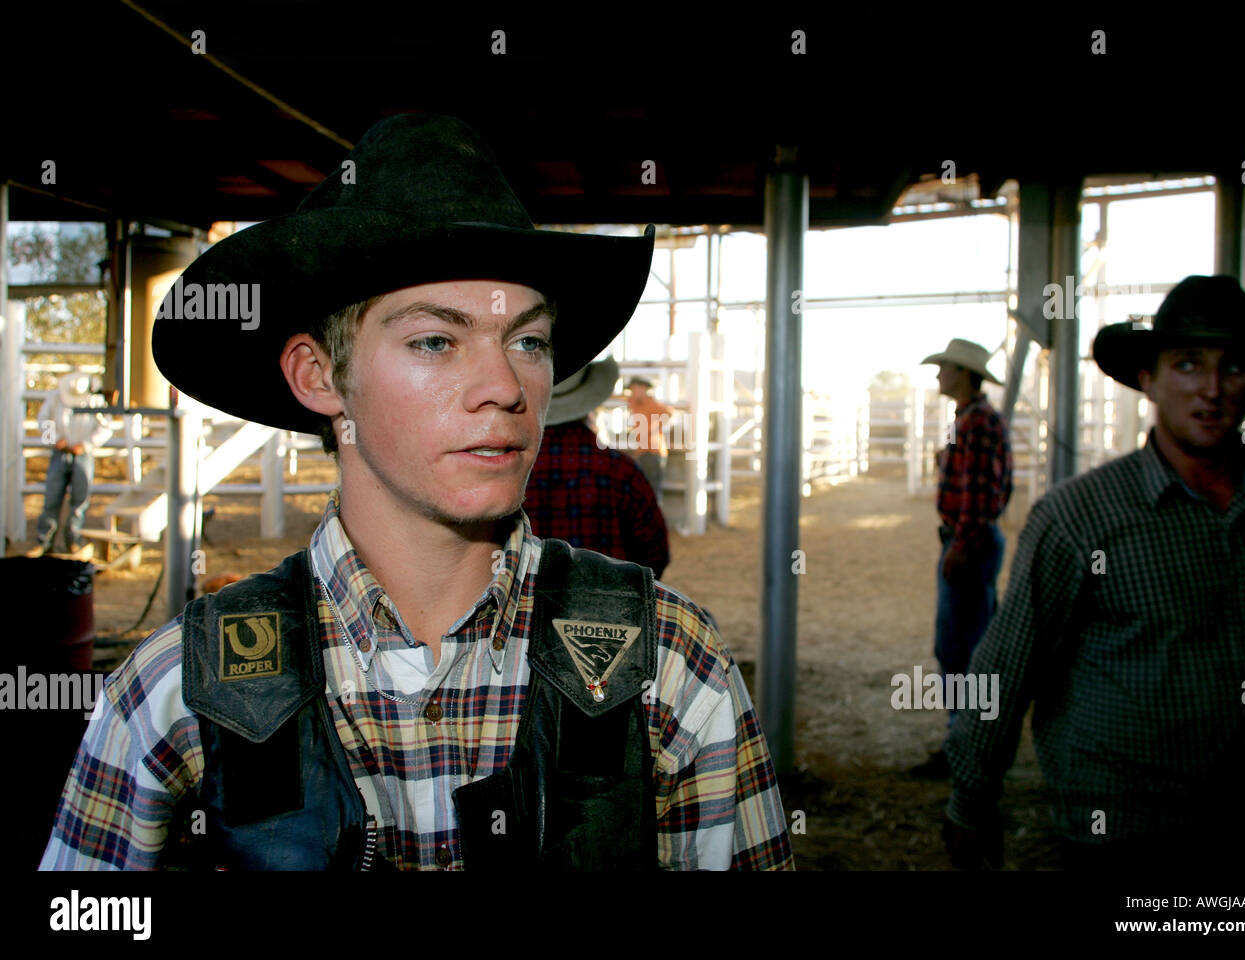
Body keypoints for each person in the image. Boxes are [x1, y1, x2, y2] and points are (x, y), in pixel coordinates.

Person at [39, 113, 792, 871]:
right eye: (435, 340)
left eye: (528, 341)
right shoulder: (176, 694)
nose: (505, 386)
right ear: (320, 377)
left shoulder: (666, 664)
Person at [942, 275, 1245, 870]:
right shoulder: (1080, 517)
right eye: (1188, 364)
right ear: (1148, 379)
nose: (1211, 390)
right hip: (1128, 837)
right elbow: (1004, 670)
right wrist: (970, 804)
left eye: (1232, 367)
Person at [911, 339, 1012, 779]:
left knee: (959, 648)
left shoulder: (975, 423)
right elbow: (985, 482)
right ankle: (971, 741)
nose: (938, 376)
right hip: (971, 539)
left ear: (963, 374)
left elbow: (979, 492)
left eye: (945, 368)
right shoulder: (973, 420)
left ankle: (965, 746)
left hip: (966, 541)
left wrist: (963, 543)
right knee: (968, 646)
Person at [523, 356, 671, 577]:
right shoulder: (621, 471)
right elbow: (655, 554)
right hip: (610, 602)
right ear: (588, 404)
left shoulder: (512, 470)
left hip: (527, 605)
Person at [27, 373, 113, 559]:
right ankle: (44, 541)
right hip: (61, 451)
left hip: (83, 454)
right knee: (52, 498)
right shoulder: (55, 398)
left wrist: (86, 445)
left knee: (79, 500)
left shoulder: (95, 400)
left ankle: (73, 541)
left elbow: (106, 426)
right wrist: (55, 440)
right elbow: (43, 420)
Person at [623, 375, 674, 499]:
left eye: (634, 389)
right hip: (643, 451)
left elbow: (669, 413)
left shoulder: (653, 404)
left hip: (653, 452)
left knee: (653, 490)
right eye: (631, 390)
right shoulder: (635, 403)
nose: (633, 392)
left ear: (643, 388)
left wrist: (652, 430)